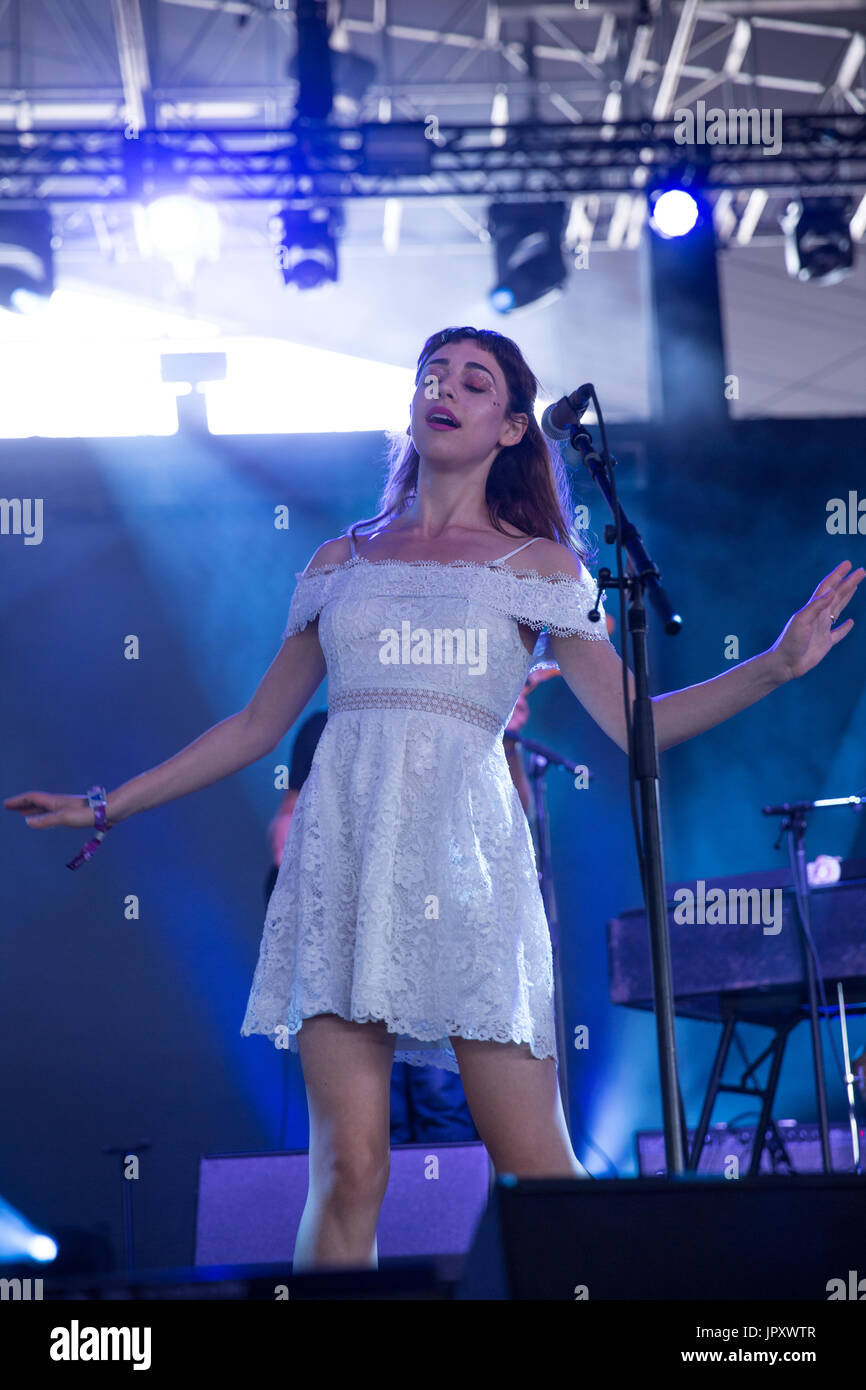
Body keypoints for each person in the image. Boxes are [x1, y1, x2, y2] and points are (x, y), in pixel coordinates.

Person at [6, 326, 863, 1277]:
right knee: (349, 1168)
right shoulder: (342, 559)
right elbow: (255, 726)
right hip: (344, 869)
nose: (443, 389)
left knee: (536, 1165)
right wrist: (106, 803)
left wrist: (778, 666)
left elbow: (636, 726)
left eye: (474, 380)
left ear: (509, 427)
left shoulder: (542, 567)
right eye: (431, 374)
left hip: (470, 880)